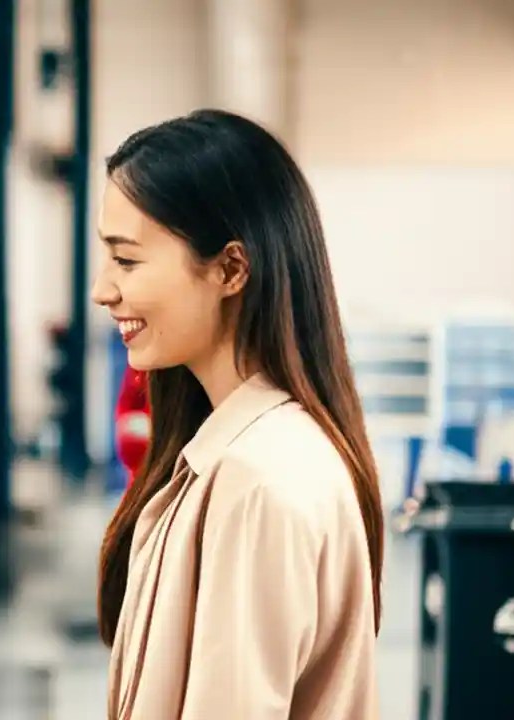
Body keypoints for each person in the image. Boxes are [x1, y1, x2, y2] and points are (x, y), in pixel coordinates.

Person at [89, 109, 384, 720]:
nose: (103, 289)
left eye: (127, 261)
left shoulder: (260, 480)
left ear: (229, 269)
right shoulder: (234, 453)